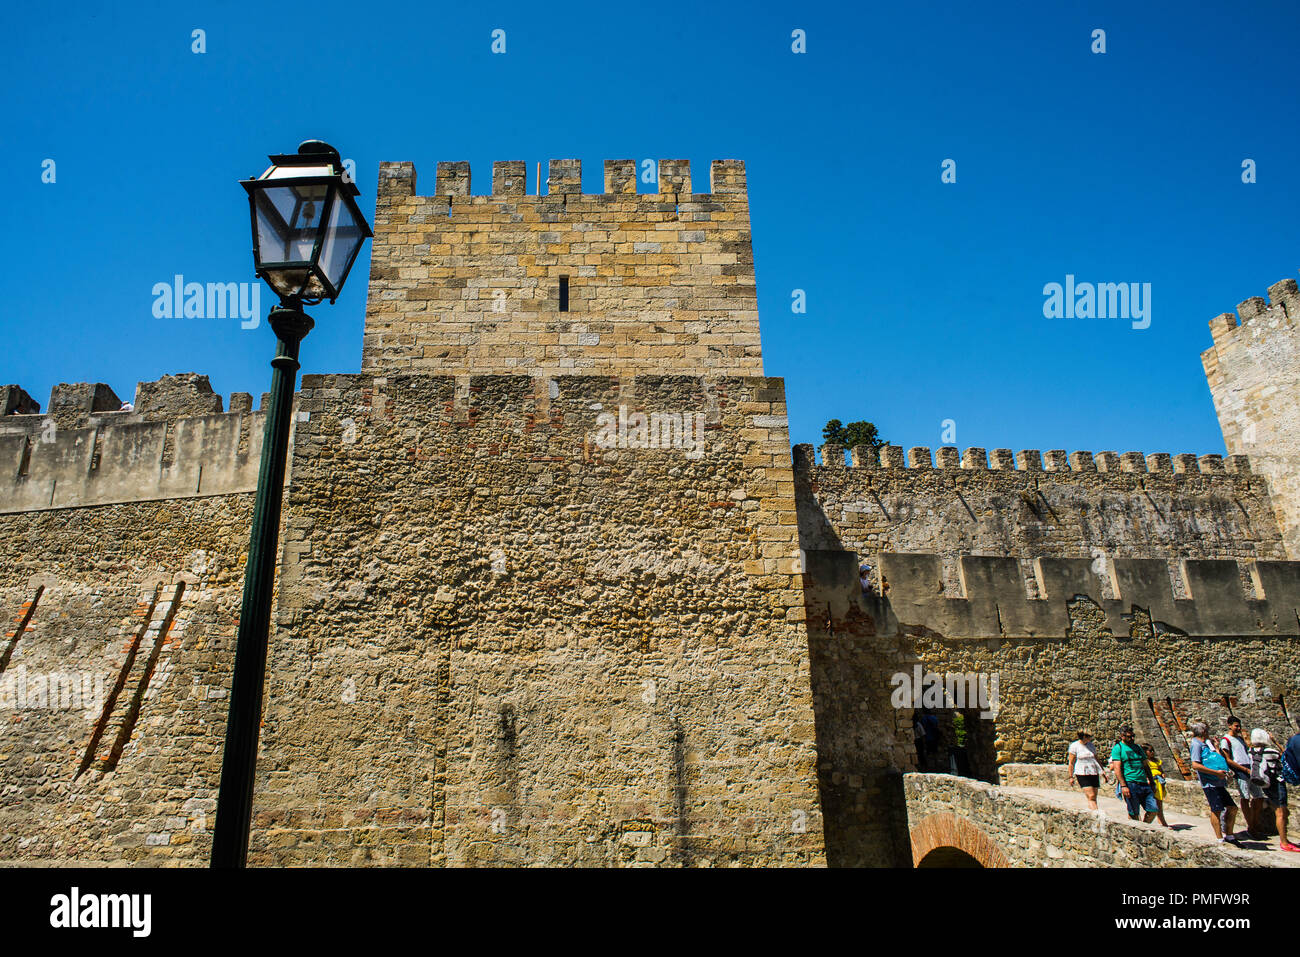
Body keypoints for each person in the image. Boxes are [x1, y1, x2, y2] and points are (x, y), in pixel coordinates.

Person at [1249, 729, 1300, 853]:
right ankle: (1284, 842)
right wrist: (1276, 742)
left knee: (1281, 811)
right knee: (1281, 813)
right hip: (1276, 784)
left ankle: (1285, 840)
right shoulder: (1271, 752)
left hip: (1265, 785)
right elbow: (1285, 756)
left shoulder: (1250, 751)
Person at [1189, 721, 1239, 844]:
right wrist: (1215, 773)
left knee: (1232, 808)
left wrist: (1216, 747)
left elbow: (1216, 758)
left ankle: (1230, 835)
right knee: (1216, 810)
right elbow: (1195, 765)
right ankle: (1219, 838)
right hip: (1209, 783)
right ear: (1203, 731)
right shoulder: (1196, 744)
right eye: (1207, 730)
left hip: (1218, 781)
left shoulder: (1206, 743)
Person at [1220, 716, 1260, 838]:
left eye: (1239, 726)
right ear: (1229, 725)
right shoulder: (1226, 740)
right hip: (1240, 770)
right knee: (1245, 798)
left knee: (1259, 797)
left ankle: (1253, 824)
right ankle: (1251, 827)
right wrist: (1243, 769)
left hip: (1249, 769)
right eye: (1236, 726)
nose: (1238, 728)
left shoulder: (1240, 739)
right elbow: (1228, 759)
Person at [1109, 725, 1158, 823]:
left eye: (1133, 736)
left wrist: (1151, 781)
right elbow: (1117, 768)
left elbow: (1145, 765)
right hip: (1130, 782)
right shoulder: (1118, 748)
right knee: (1134, 813)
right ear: (1122, 736)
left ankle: (1144, 827)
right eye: (1129, 736)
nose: (1132, 738)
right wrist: (1123, 785)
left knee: (1153, 809)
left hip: (1143, 782)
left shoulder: (1138, 748)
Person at [1066, 731, 1104, 810]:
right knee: (1091, 796)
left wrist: (1102, 770)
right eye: (1089, 736)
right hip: (1082, 773)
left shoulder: (1091, 745)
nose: (1090, 738)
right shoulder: (1074, 746)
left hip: (1093, 772)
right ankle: (1097, 814)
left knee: (1093, 797)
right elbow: (1071, 763)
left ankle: (1092, 814)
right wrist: (1071, 776)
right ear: (1084, 737)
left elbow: (1096, 758)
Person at [1142, 743, 1171, 827]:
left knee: (1159, 804)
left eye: (1152, 750)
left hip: (1158, 783)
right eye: (1150, 751)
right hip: (1151, 783)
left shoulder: (1156, 761)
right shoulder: (1145, 762)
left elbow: (1161, 770)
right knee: (1152, 805)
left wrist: (1162, 775)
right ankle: (1146, 823)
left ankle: (1162, 822)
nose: (1152, 752)